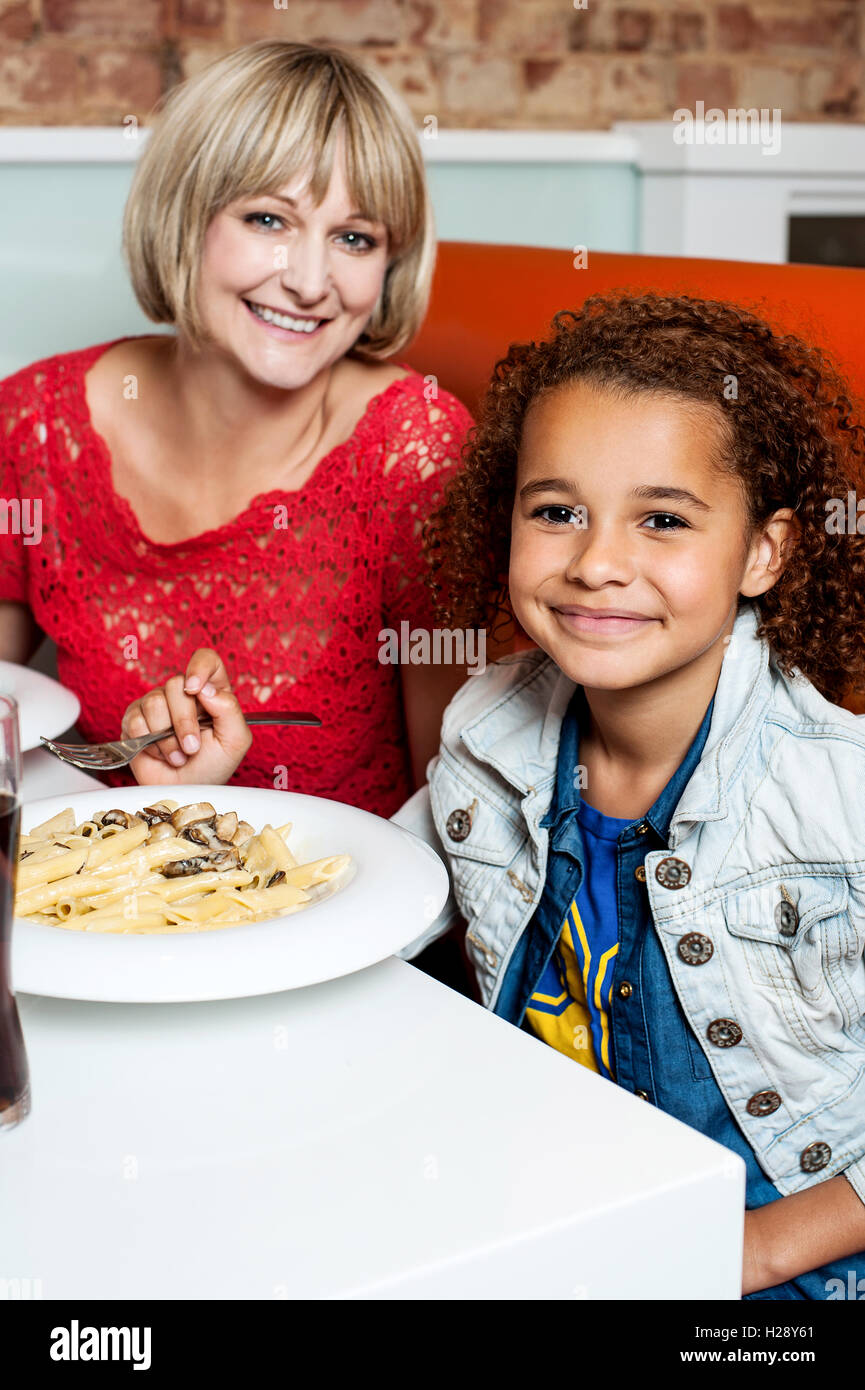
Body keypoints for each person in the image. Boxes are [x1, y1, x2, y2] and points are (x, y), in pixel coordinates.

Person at [162, 291, 865, 1298]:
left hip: (789, 1270)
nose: (594, 562)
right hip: (562, 1214)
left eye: (661, 519)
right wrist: (202, 809)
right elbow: (360, 902)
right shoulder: (492, 731)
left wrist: (759, 1247)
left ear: (763, 551)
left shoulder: (836, 792)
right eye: (556, 511)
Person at [0, 40, 475, 817]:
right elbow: (4, 728)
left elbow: (454, 795)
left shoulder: (414, 446)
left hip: (354, 911)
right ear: (184, 216)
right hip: (98, 900)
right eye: (268, 219)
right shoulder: (35, 423)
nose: (310, 281)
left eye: (354, 238)